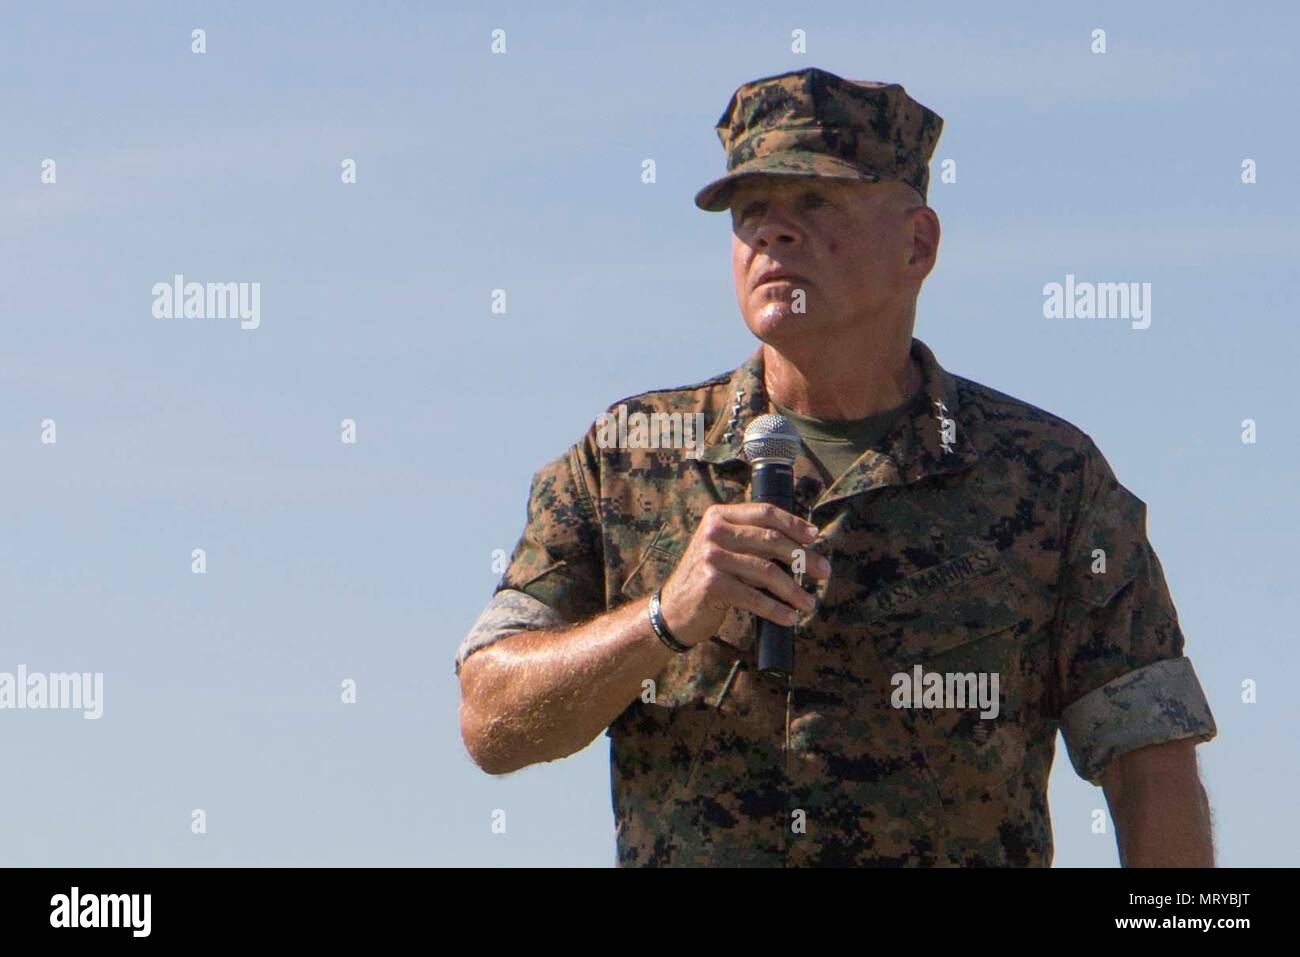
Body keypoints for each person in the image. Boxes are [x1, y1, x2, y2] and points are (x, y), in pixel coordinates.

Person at [454, 67, 1218, 867]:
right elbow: (491, 721)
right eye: (751, 212)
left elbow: (1149, 767)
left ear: (917, 243)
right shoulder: (627, 459)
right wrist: (664, 618)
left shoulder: (1049, 478)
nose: (773, 235)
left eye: (815, 203)